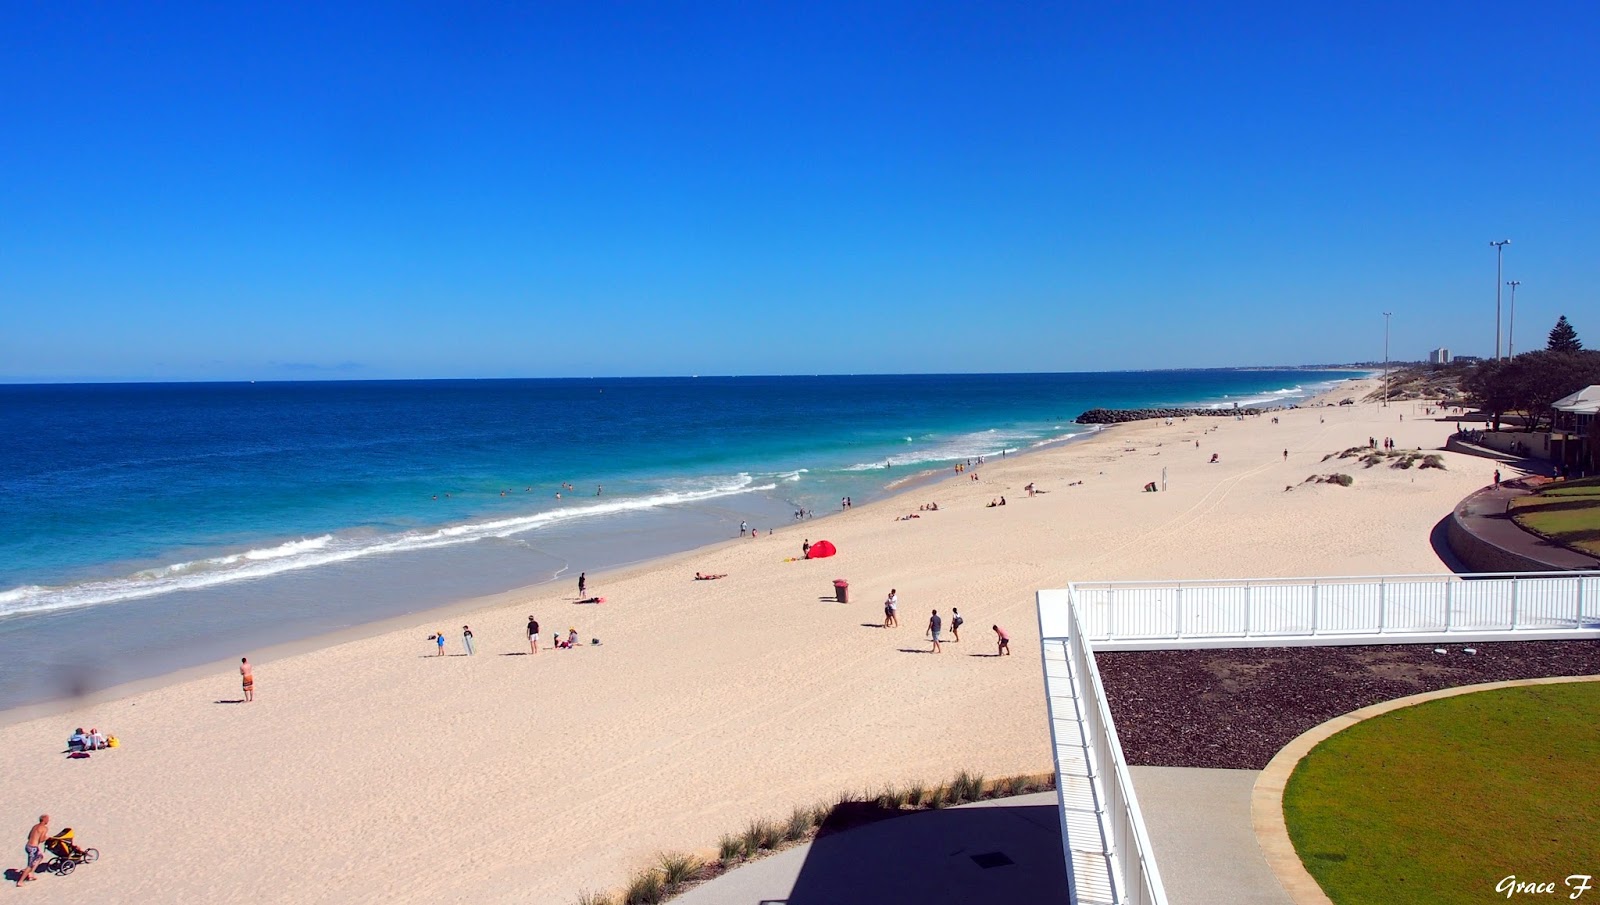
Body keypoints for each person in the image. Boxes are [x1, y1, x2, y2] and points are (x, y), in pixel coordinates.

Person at [18, 815, 48, 886]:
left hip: (28, 846)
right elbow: (41, 840)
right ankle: (20, 881)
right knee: (30, 865)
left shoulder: (35, 826)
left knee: (40, 856)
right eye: (47, 819)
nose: (48, 821)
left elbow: (28, 837)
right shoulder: (44, 828)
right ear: (44, 820)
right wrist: (46, 838)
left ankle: (31, 873)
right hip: (33, 848)